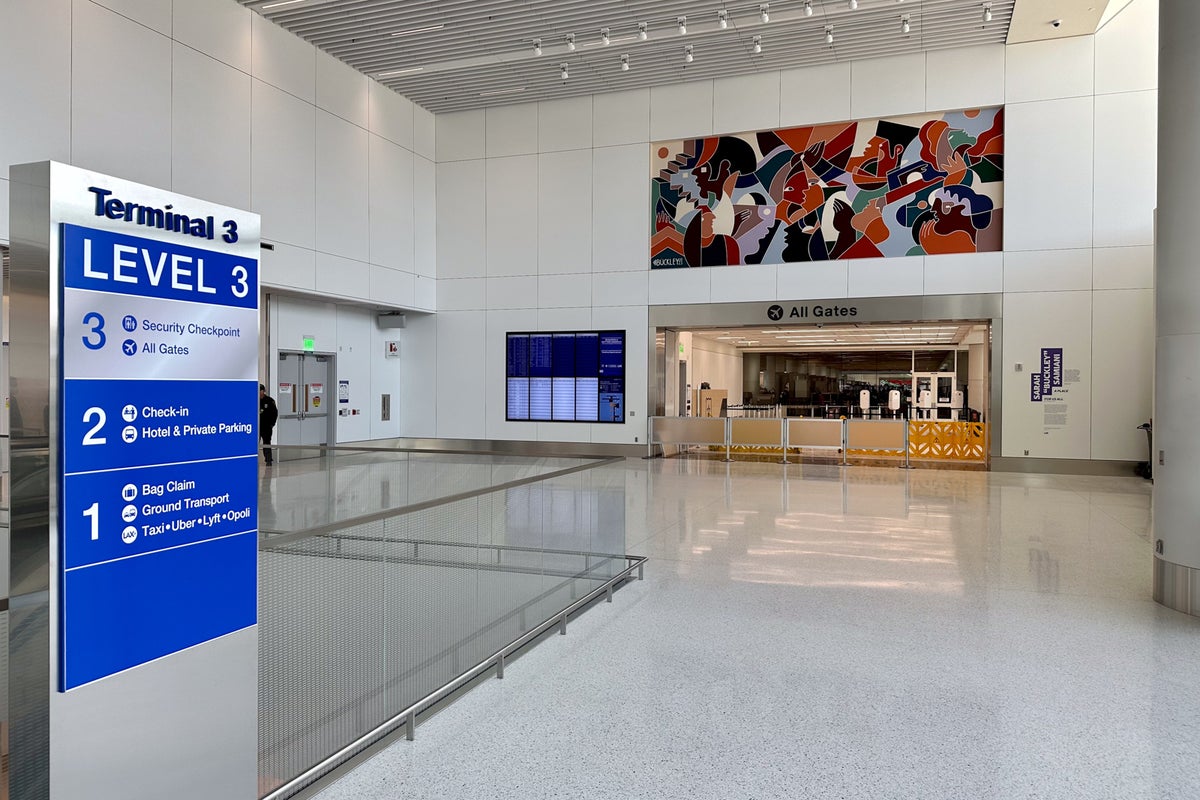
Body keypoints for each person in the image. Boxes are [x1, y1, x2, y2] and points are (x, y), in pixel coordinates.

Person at [259, 383, 278, 466]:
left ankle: (268, 460)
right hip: (256, 427)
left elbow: (274, 413)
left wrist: (272, 424)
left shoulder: (269, 401)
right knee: (254, 443)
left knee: (266, 442)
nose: (259, 392)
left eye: (261, 390)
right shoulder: (253, 400)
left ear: (264, 391)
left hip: (266, 426)